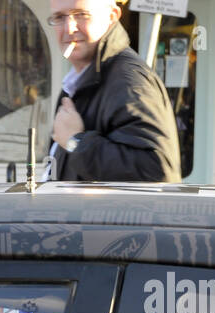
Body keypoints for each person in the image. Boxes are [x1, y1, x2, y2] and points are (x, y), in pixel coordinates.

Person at [46, 0, 181, 182]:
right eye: (59, 17)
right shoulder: (80, 80)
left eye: (81, 14)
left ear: (112, 17)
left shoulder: (128, 80)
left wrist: (75, 141)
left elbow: (157, 170)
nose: (69, 28)